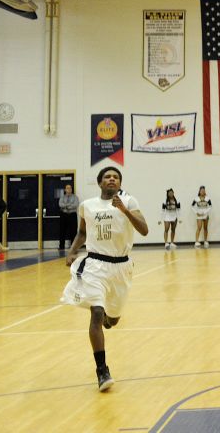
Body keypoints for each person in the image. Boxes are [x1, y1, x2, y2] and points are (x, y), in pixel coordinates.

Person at [60, 167, 148, 391]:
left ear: (120, 183)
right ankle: (102, 370)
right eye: (108, 177)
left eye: (116, 177)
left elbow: (144, 230)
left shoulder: (128, 201)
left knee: (113, 319)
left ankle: (111, 318)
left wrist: (124, 210)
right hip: (95, 264)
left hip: (121, 267)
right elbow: (82, 233)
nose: (112, 179)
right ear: (100, 183)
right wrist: (71, 252)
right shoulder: (87, 206)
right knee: (96, 312)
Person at [58, 183, 80, 251]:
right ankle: (61, 246)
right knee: (62, 231)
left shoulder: (75, 197)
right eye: (67, 188)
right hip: (63, 215)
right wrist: (69, 205)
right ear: (65, 189)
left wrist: (66, 206)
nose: (69, 189)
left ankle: (73, 247)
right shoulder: (62, 197)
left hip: (72, 215)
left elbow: (75, 205)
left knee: (73, 231)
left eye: (70, 188)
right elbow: (60, 204)